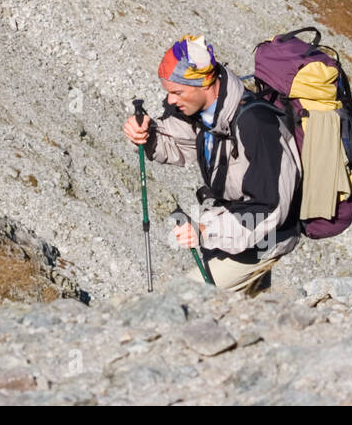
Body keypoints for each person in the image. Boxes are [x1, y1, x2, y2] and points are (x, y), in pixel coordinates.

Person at [123, 35, 300, 294]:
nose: (170, 100)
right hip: (237, 232)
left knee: (183, 298)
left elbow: (270, 207)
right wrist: (145, 136)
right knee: (248, 312)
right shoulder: (207, 114)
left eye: (177, 92)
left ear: (204, 83)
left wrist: (206, 230)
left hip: (264, 238)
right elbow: (176, 146)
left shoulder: (256, 124)